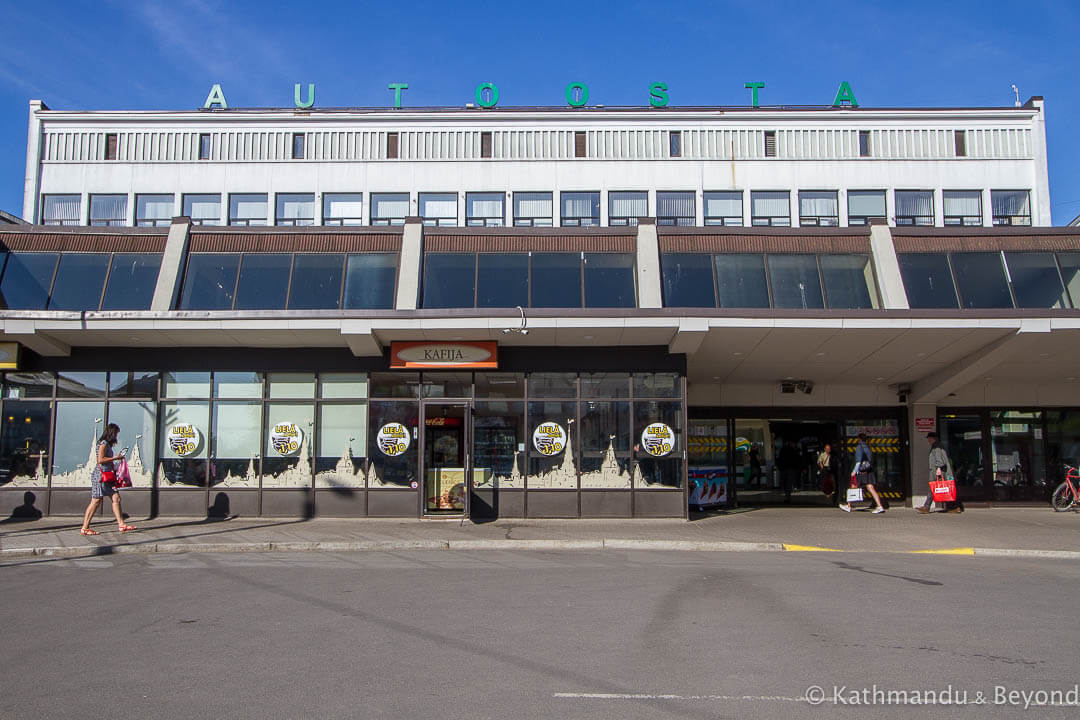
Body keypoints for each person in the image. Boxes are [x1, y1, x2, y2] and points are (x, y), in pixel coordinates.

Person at [80, 423, 136, 536]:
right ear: (111, 433)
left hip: (108, 476)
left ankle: (121, 524)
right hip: (101, 477)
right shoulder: (103, 444)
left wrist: (117, 461)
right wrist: (116, 457)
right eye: (115, 434)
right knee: (96, 501)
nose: (116, 436)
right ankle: (85, 527)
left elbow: (106, 460)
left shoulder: (107, 445)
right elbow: (100, 460)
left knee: (116, 498)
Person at [917, 431, 963, 514]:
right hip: (940, 471)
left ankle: (953, 507)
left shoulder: (937, 448)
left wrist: (938, 470)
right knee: (941, 489)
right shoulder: (938, 446)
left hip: (938, 472)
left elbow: (940, 461)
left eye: (929, 438)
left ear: (933, 438)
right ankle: (952, 507)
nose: (928, 440)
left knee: (938, 488)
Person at [840, 432, 885, 513]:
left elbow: (858, 462)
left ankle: (848, 506)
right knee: (870, 487)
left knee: (853, 486)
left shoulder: (859, 448)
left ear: (859, 439)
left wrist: (854, 471)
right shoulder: (868, 447)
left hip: (861, 471)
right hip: (869, 471)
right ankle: (879, 506)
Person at [777, 438, 799, 503]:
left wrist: (780, 468)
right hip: (790, 469)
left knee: (784, 482)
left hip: (783, 469)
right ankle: (787, 497)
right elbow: (795, 460)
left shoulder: (782, 450)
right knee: (789, 483)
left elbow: (779, 459)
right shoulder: (792, 450)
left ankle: (786, 496)